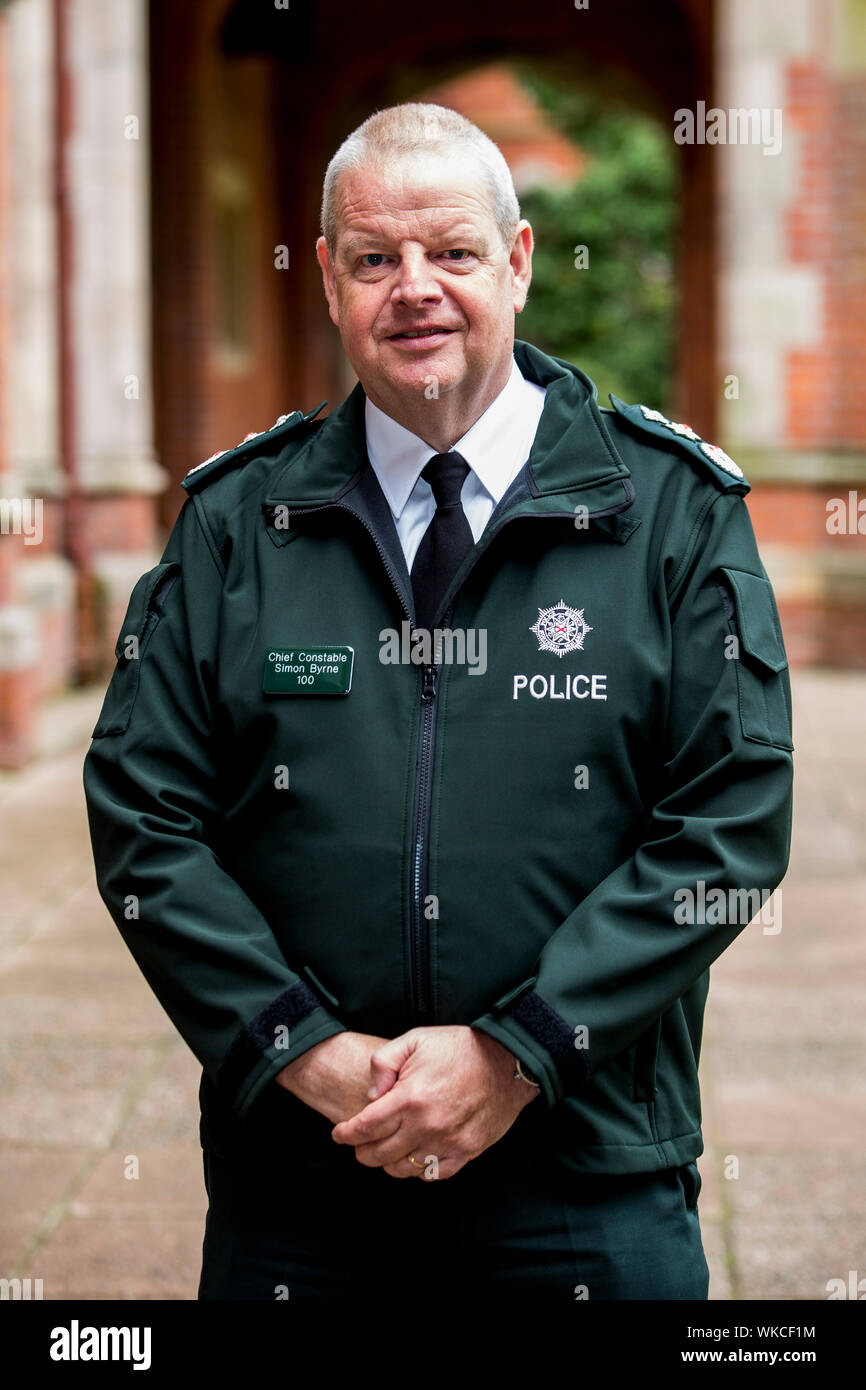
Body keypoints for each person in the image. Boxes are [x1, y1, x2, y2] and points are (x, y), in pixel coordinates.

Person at [83, 102, 794, 1302]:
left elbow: (728, 820)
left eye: (451, 252)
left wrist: (518, 1053)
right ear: (327, 281)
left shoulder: (669, 511)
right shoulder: (232, 525)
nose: (414, 288)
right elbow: (143, 817)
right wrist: (295, 1047)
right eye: (375, 258)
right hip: (302, 1181)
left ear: (515, 262)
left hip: (585, 1174)